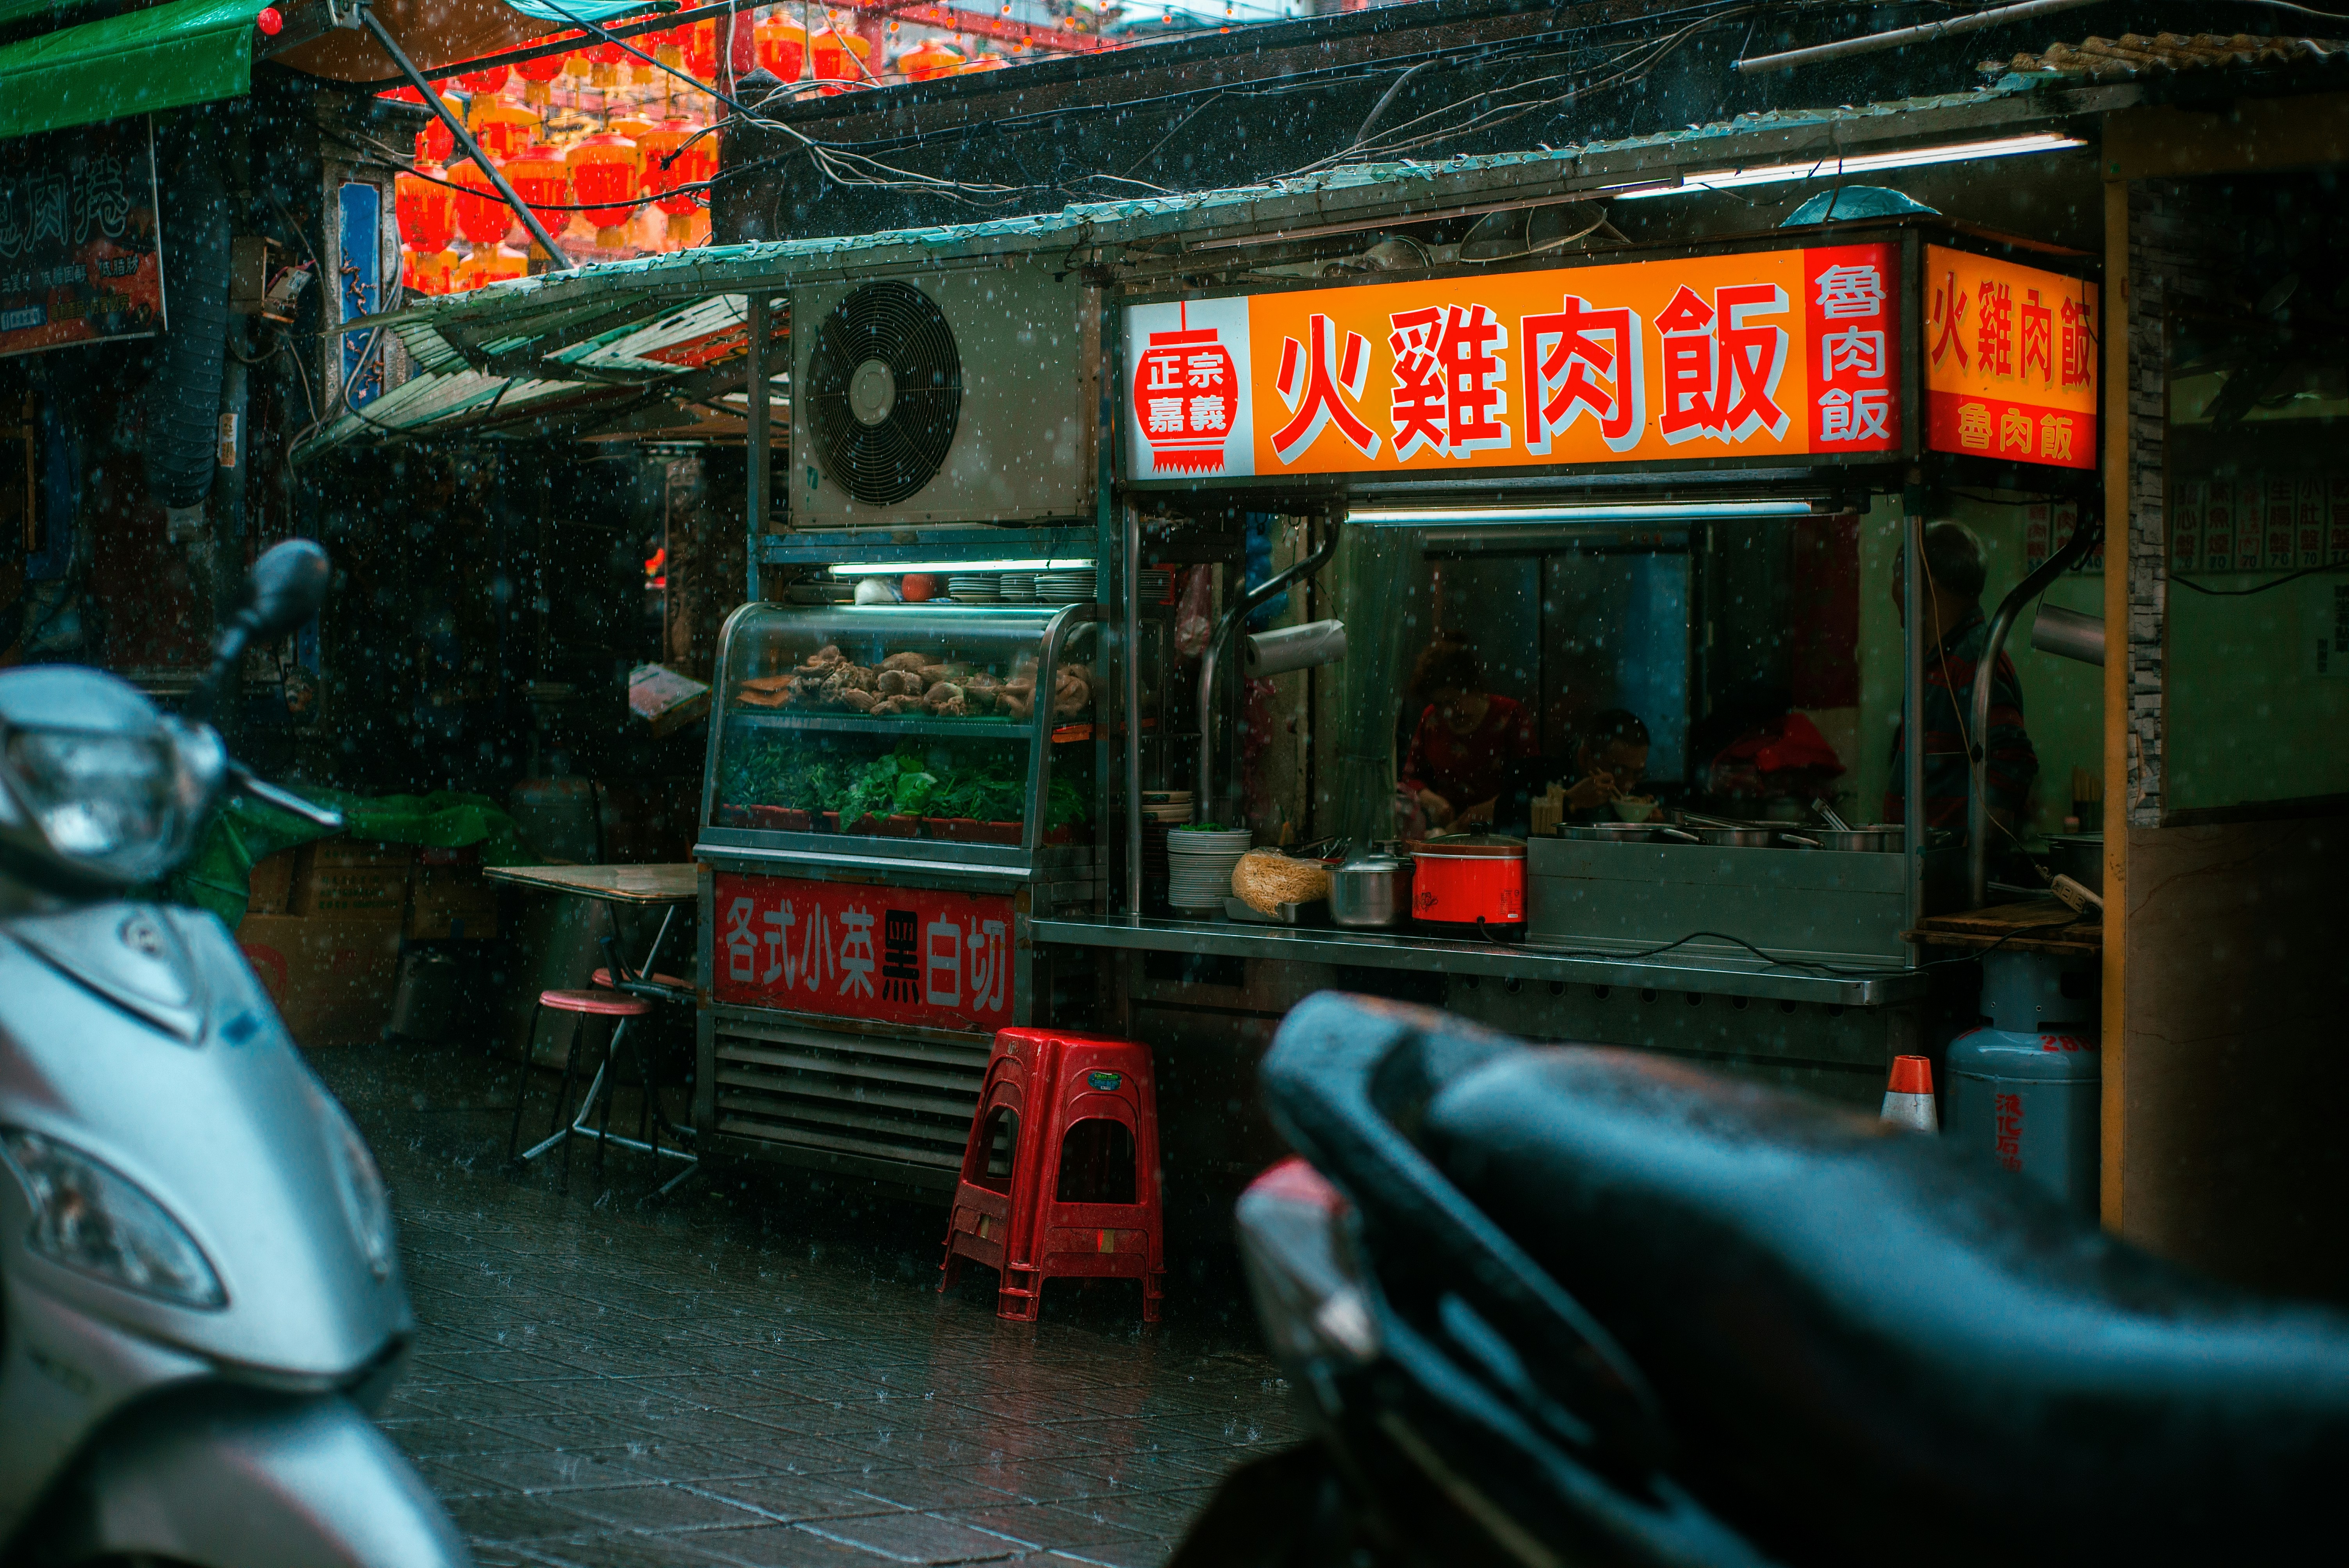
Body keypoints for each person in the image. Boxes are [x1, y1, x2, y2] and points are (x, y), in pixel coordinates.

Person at [1886, 520, 2037, 837]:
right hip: (1927, 870)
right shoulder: (1934, 661)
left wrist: (1974, 851)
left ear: (1924, 582)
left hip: (1952, 876)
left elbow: (2012, 759)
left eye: (1898, 577)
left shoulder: (1972, 662)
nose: (1894, 589)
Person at [1399, 639, 1537, 831]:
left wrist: (1492, 809)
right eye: (1440, 704)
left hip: (1504, 834)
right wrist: (1432, 801)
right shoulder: (1431, 719)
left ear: (1473, 688)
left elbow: (1532, 783)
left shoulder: (1510, 715)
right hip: (1448, 833)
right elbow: (1409, 777)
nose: (1448, 712)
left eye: (1453, 701)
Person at [1560, 709, 1652, 820]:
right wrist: (1569, 803)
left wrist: (1642, 820)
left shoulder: (1637, 789)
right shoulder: (1544, 778)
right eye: (1619, 771)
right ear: (1584, 757)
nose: (1627, 787)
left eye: (1637, 773)